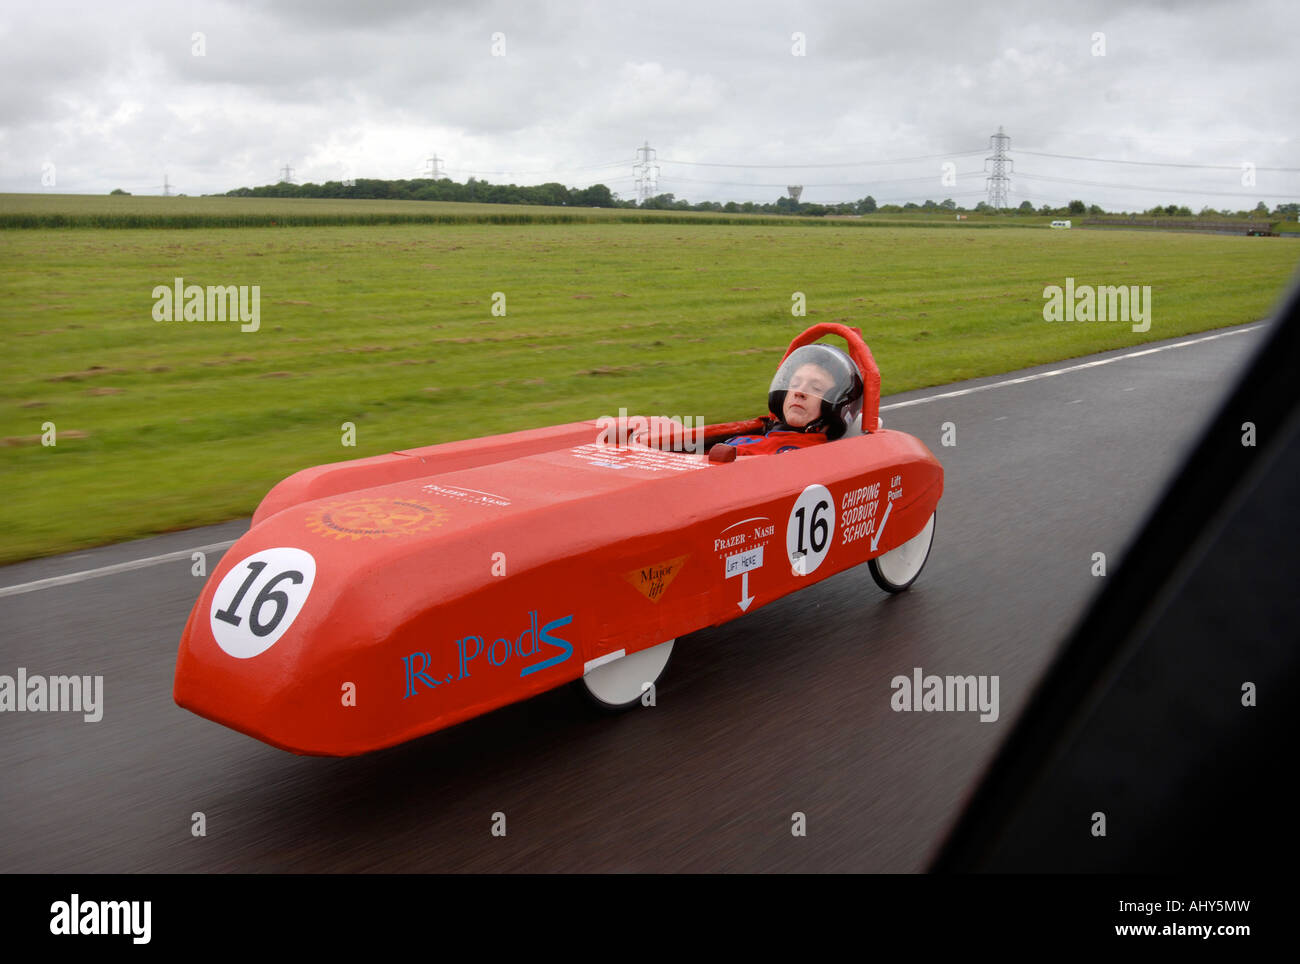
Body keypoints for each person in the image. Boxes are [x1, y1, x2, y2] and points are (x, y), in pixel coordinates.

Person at [723, 343, 865, 456]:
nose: (799, 392)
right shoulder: (744, 440)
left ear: (836, 408)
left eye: (815, 388)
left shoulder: (815, 457)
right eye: (795, 384)